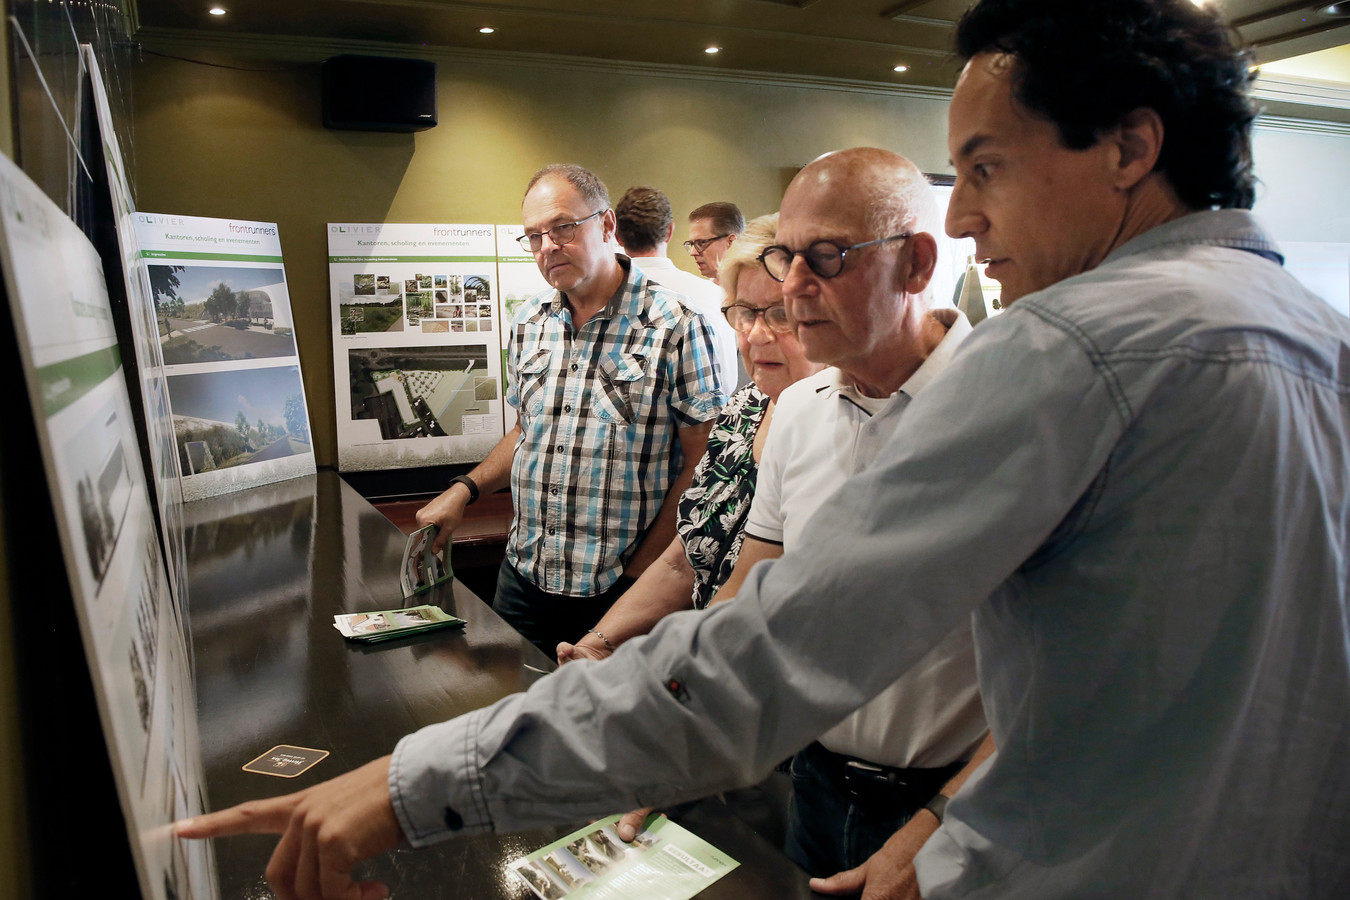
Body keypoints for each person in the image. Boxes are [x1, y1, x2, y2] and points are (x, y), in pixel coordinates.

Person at [178, 3, 1350, 899]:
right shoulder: (1318, 339)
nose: (964, 217)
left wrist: (409, 785)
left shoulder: (1069, 347)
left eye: (987, 165)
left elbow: (772, 655)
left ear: (1130, 147)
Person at [702, 148, 988, 883]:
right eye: (783, 255)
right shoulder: (798, 408)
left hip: (955, 807)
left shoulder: (1006, 408)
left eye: (825, 258)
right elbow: (749, 596)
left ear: (918, 264)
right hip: (816, 785)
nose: (792, 287)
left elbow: (1064, 684)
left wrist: (930, 831)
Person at [414, 164, 726, 655]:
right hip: (523, 578)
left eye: (562, 227)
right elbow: (527, 430)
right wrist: (465, 489)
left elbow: (702, 463)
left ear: (606, 226)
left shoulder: (678, 326)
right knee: (514, 713)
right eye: (534, 236)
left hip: (617, 589)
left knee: (607, 726)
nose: (547, 247)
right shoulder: (530, 321)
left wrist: (641, 573)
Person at [556, 212, 822, 666]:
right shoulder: (743, 411)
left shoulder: (838, 427)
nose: (755, 335)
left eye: (779, 314)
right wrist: (599, 644)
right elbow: (683, 559)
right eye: (742, 313)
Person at [614, 185, 741, 391]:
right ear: (670, 231)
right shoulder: (708, 295)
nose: (693, 252)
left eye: (702, 243)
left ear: (617, 237)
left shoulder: (597, 297)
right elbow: (725, 384)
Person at [684, 201, 744, 283]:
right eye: (692, 244)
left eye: (701, 243)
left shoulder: (760, 289)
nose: (693, 252)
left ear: (731, 241)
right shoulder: (701, 292)